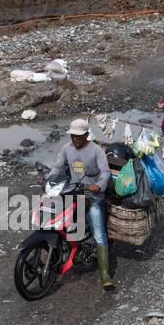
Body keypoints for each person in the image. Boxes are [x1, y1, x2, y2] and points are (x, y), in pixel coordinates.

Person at [50, 118, 114, 290]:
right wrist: (50, 179)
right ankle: (67, 255)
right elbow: (57, 167)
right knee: (60, 225)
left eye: (79, 136)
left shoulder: (96, 151)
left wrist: (98, 185)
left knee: (99, 234)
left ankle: (105, 275)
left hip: (92, 196)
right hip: (72, 193)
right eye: (73, 136)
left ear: (87, 134)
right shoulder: (66, 149)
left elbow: (105, 172)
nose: (75, 139)